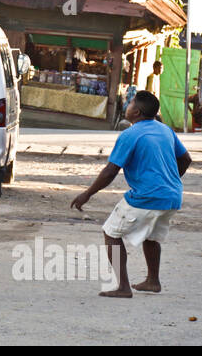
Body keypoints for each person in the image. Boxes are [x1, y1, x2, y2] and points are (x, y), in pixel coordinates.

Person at [70, 91, 191, 298]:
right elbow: (186, 159)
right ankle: (153, 281)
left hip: (147, 196)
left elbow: (110, 171)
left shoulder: (130, 134)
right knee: (150, 235)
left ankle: (123, 287)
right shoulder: (166, 131)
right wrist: (168, 180)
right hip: (172, 196)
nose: (127, 105)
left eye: (130, 103)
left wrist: (87, 194)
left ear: (136, 111)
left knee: (111, 232)